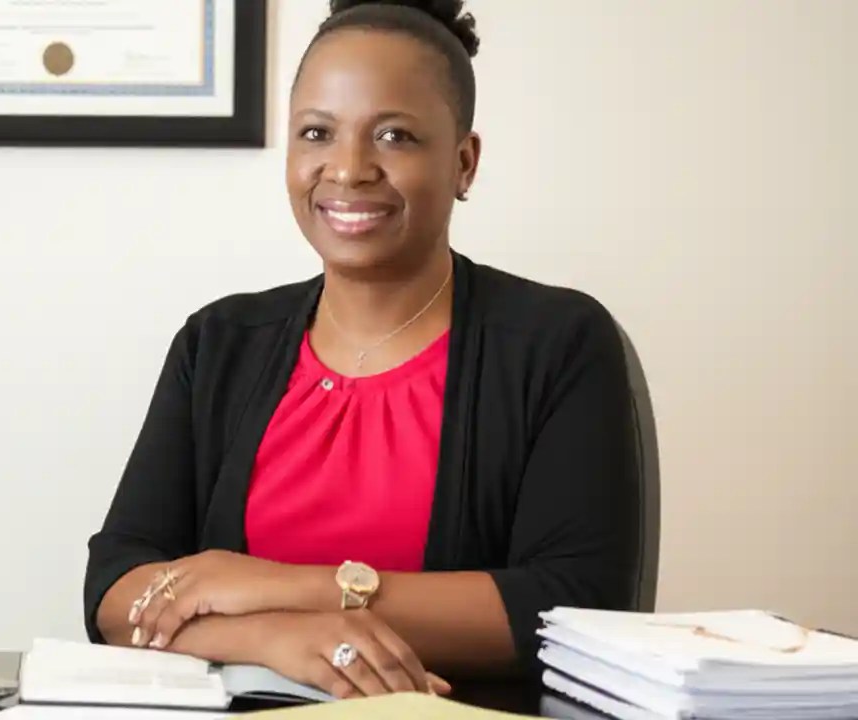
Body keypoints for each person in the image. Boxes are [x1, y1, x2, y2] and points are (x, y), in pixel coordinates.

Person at [82, 0, 641, 700]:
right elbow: (115, 588)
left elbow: (572, 608)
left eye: (395, 136)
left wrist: (284, 589)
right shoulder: (218, 342)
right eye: (317, 133)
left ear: (464, 163)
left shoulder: (556, 342)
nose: (347, 170)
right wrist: (276, 637)